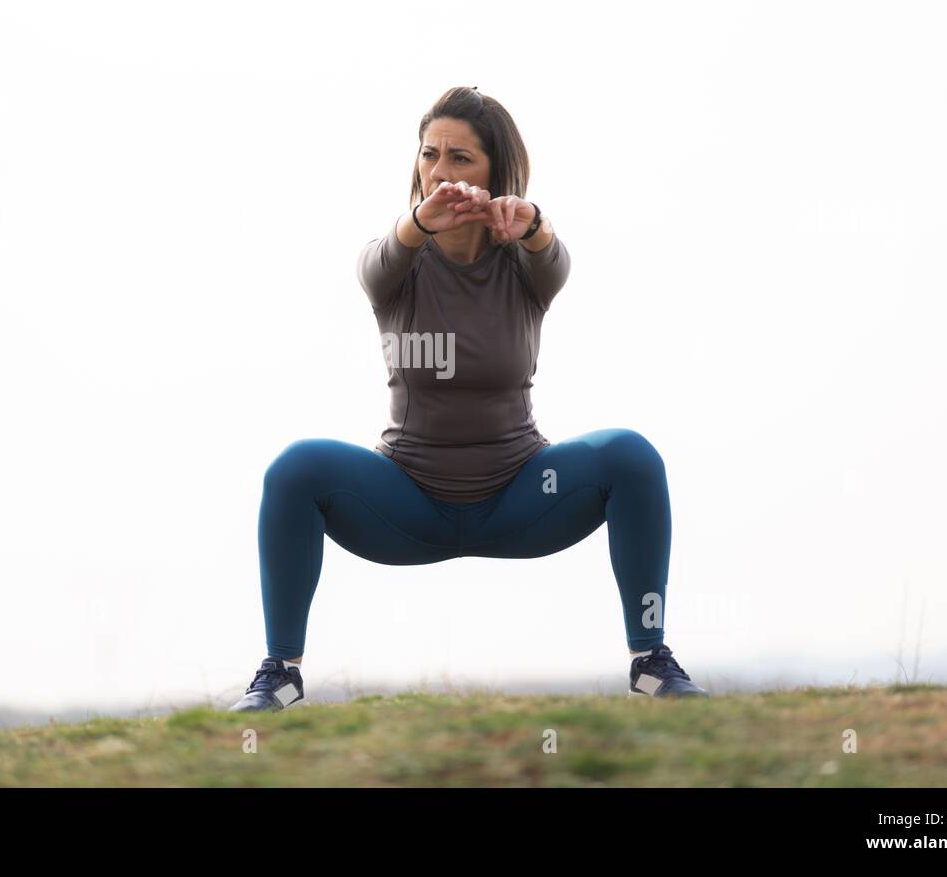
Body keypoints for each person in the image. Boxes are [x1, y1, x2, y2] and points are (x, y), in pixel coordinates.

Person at [228, 86, 708, 711]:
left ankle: (651, 661)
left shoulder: (525, 265)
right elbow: (378, 262)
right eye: (431, 155)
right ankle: (280, 673)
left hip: (522, 496)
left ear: (494, 172)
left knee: (631, 456)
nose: (440, 173)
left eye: (461, 159)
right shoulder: (396, 262)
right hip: (407, 502)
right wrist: (420, 223)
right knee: (296, 468)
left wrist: (530, 223)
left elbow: (553, 257)